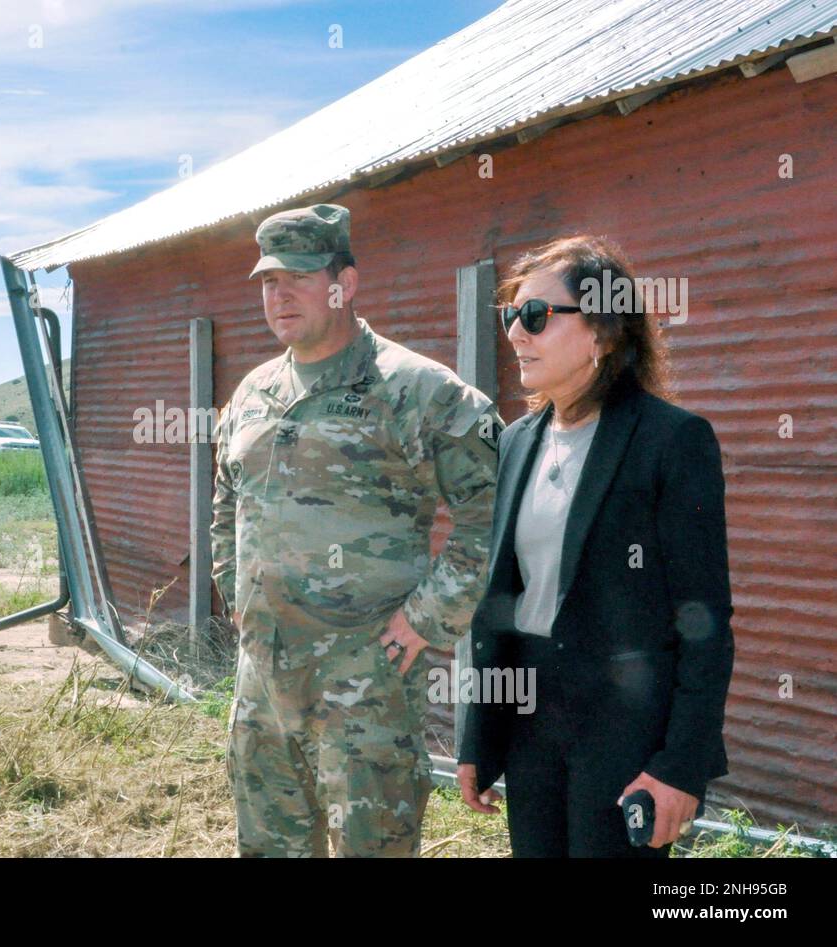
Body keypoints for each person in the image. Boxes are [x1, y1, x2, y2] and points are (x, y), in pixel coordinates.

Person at [210, 203, 503, 857]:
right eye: (266, 280)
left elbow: (492, 513)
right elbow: (226, 499)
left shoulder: (418, 392)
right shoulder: (253, 393)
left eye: (299, 275)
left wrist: (429, 617)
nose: (277, 293)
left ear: (346, 282)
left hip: (364, 692)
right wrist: (234, 589)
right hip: (263, 688)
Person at [456, 235, 735, 857]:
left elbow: (705, 619)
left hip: (625, 730)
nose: (516, 334)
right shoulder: (515, 442)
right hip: (531, 719)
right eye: (510, 316)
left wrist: (681, 766)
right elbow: (502, 598)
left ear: (605, 332)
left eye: (536, 317)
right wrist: (479, 738)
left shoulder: (672, 441)